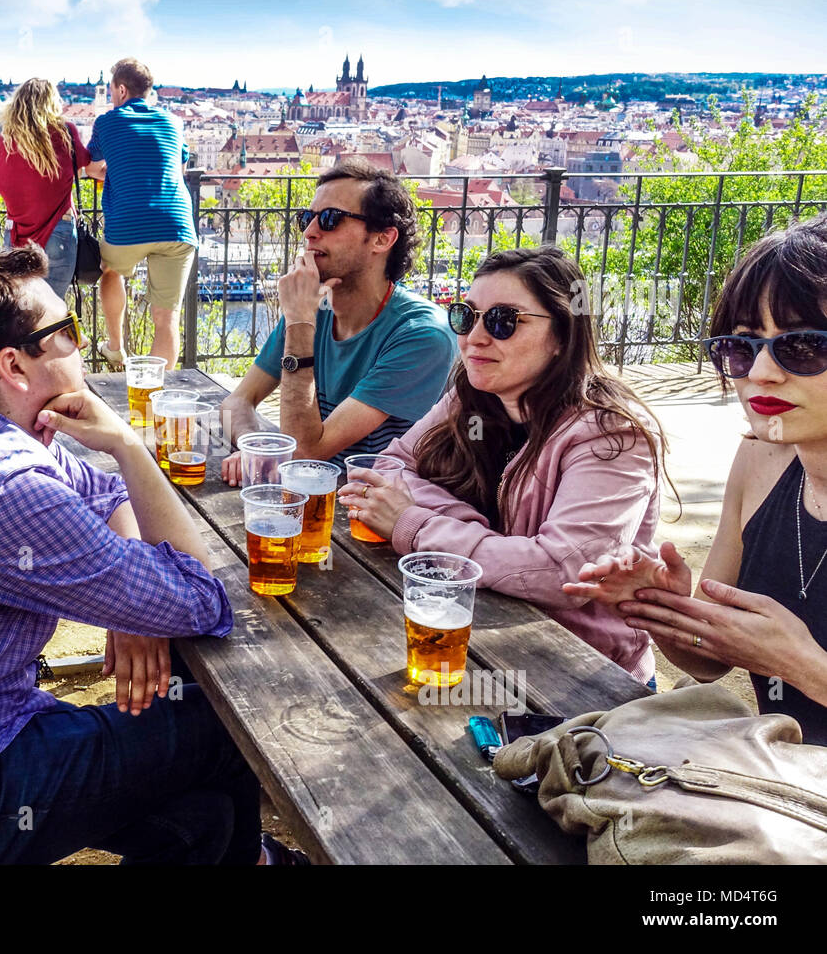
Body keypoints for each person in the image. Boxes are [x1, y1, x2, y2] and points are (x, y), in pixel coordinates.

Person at [0, 245, 300, 865]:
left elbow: (105, 498)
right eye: (65, 331)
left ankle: (247, 856)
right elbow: (200, 597)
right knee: (224, 728)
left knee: (203, 820)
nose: (83, 344)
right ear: (13, 365)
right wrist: (127, 443)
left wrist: (130, 605)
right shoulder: (3, 487)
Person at [339, 246, 669, 686]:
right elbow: (392, 464)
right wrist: (468, 526)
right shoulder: (471, 398)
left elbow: (559, 572)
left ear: (562, 336)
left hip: (579, 675)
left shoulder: (611, 434)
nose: (475, 337)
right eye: (466, 316)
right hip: (477, 635)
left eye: (502, 321)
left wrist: (417, 527)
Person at [565, 216, 827, 742]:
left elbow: (789, 665)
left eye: (803, 347)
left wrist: (804, 667)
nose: (761, 373)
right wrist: (662, 610)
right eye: (742, 347)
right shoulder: (759, 461)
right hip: (781, 787)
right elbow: (710, 664)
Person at [220, 158, 455, 480]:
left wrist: (300, 322)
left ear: (382, 239)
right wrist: (255, 446)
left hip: (379, 509)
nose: (309, 231)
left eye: (331, 219)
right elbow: (236, 402)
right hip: (317, 492)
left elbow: (305, 451)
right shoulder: (315, 308)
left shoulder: (422, 334)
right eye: (307, 217)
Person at [86, 58, 195, 369]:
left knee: (111, 271)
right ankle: (156, 400)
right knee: (166, 319)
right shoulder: (174, 122)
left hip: (127, 225)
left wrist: (114, 170)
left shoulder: (107, 122)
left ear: (121, 89)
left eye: (111, 90)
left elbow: (91, 166)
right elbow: (180, 166)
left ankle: (115, 346)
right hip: (176, 225)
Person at [0, 78, 91, 299]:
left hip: (17, 236)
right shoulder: (66, 132)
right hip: (60, 233)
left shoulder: (7, 142)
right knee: (54, 309)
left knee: (22, 310)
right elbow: (84, 162)